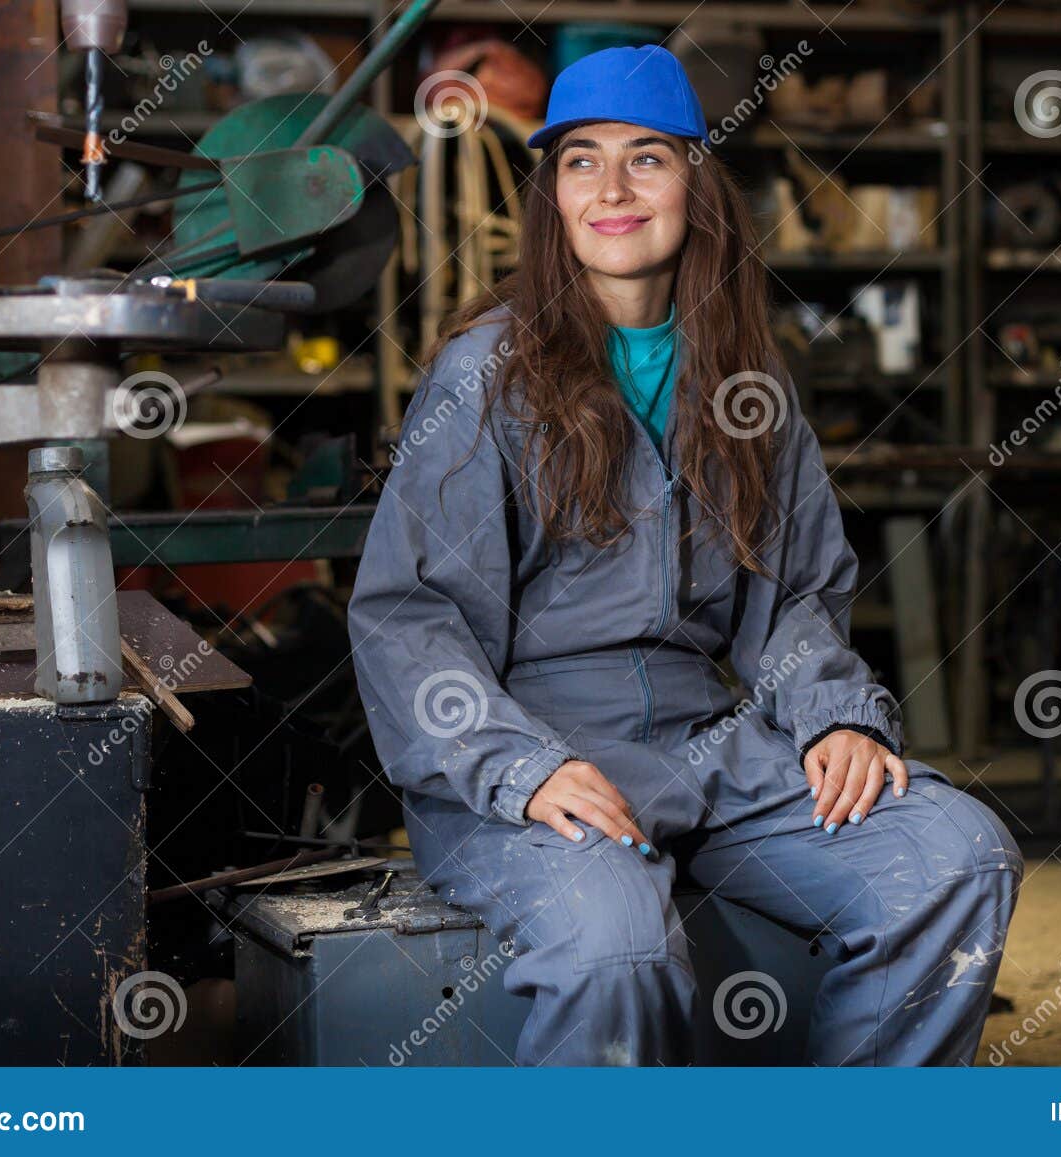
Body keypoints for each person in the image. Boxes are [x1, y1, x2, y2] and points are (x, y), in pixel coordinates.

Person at [349, 44, 1022, 1066]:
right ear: (551, 195)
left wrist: (832, 714)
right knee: (616, 950)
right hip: (531, 754)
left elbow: (794, 594)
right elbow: (411, 616)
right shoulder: (485, 373)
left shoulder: (744, 376)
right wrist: (520, 765)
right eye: (580, 161)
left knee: (952, 854)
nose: (611, 189)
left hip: (709, 749)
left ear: (696, 185)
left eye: (646, 159)